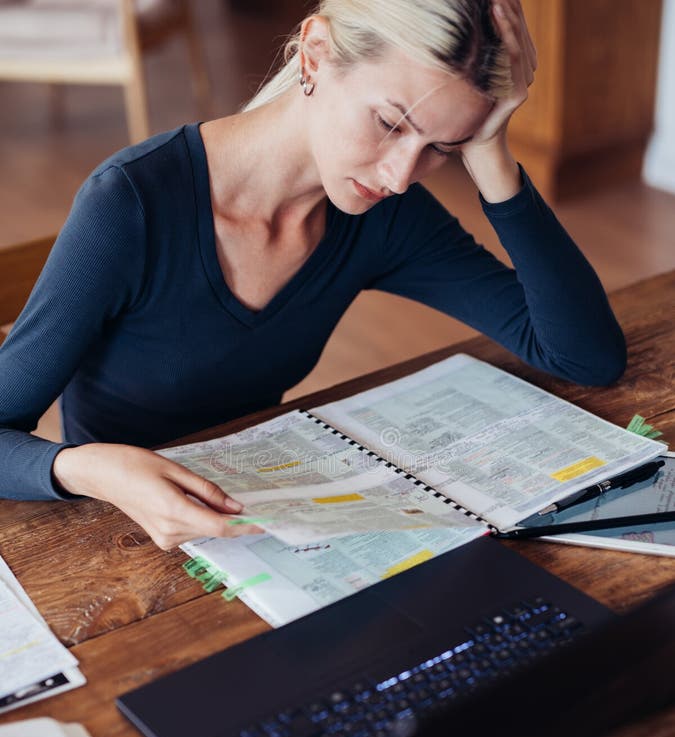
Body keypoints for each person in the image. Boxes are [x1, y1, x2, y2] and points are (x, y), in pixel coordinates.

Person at [0, 0, 626, 550]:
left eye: (442, 147)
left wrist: (490, 150)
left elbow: (582, 355)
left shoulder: (387, 217)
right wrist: (88, 469)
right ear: (316, 54)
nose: (400, 174)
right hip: (122, 536)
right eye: (390, 123)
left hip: (267, 523)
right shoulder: (130, 206)